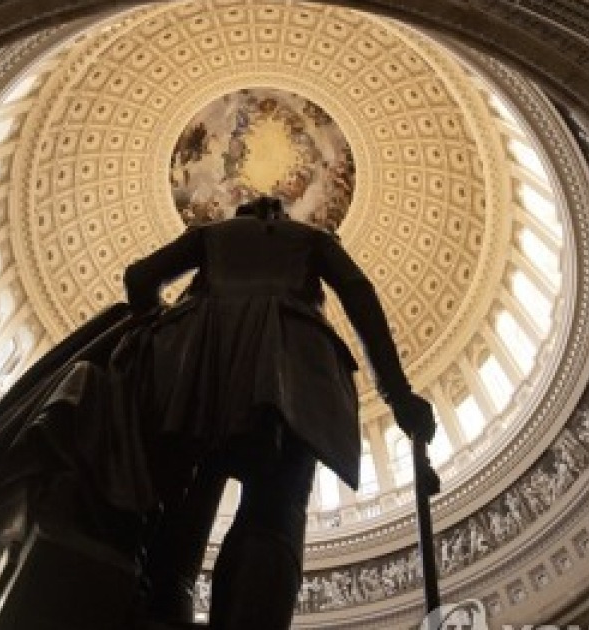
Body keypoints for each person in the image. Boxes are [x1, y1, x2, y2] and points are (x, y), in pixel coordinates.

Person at [125, 195, 436, 629]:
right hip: (294, 360)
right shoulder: (309, 238)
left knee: (180, 514)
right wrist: (398, 395)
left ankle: (162, 607)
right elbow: (359, 294)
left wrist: (160, 320)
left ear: (242, 214)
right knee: (275, 510)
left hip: (200, 360)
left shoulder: (210, 236)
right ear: (276, 216)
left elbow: (139, 277)